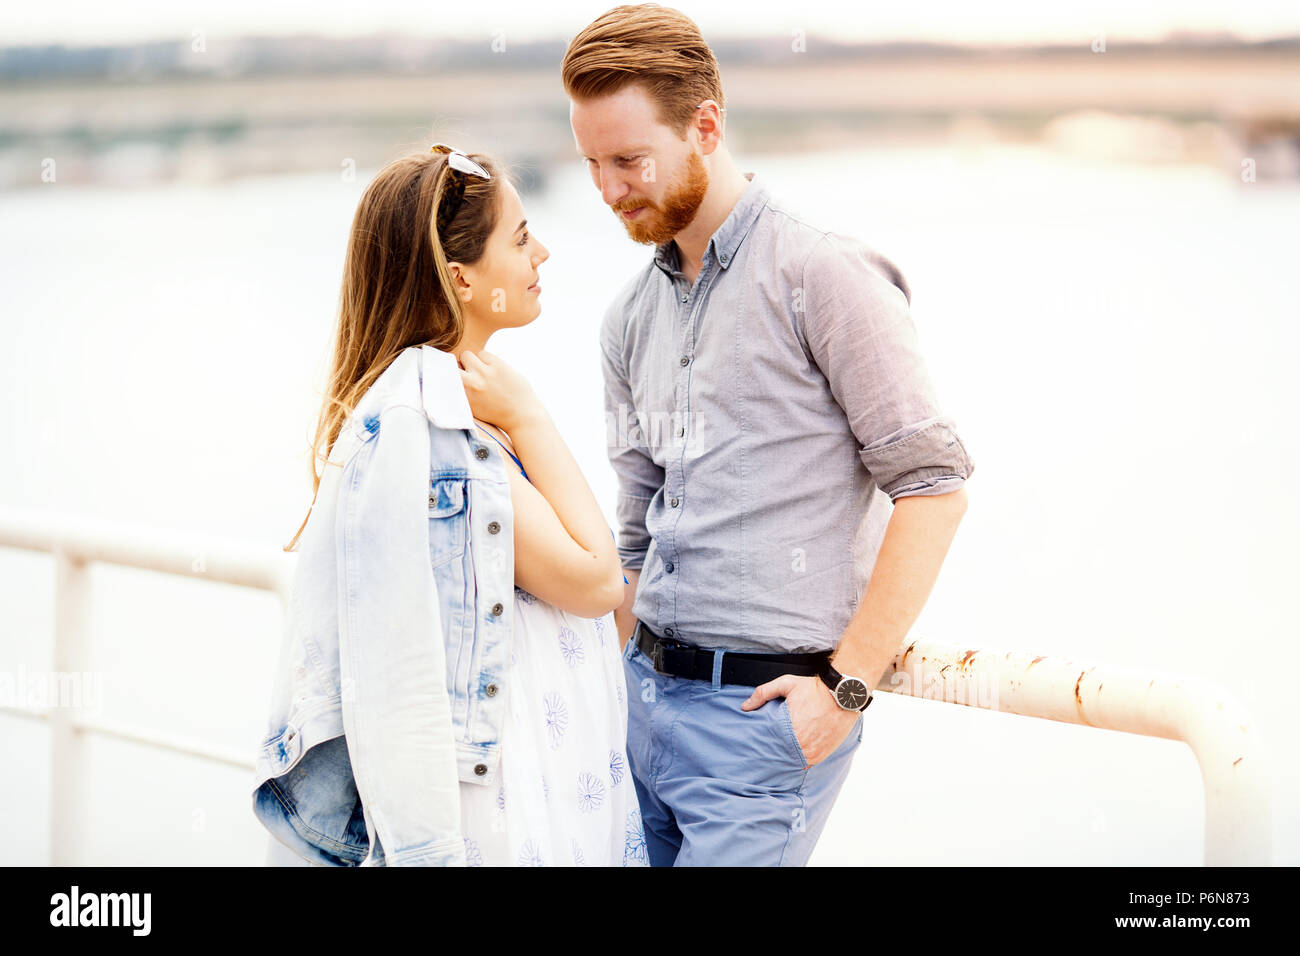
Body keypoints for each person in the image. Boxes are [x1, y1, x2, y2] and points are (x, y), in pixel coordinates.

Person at [563, 5, 976, 866]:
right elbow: (637, 523)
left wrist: (846, 689)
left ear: (705, 127)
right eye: (593, 163)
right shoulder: (627, 319)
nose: (607, 189)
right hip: (636, 710)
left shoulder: (824, 276)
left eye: (628, 160)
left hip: (760, 731)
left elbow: (933, 487)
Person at [252, 144, 648, 866]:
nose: (544, 253)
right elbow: (598, 584)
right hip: (497, 807)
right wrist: (530, 415)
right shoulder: (446, 433)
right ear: (461, 277)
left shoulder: (407, 408)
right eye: (522, 238)